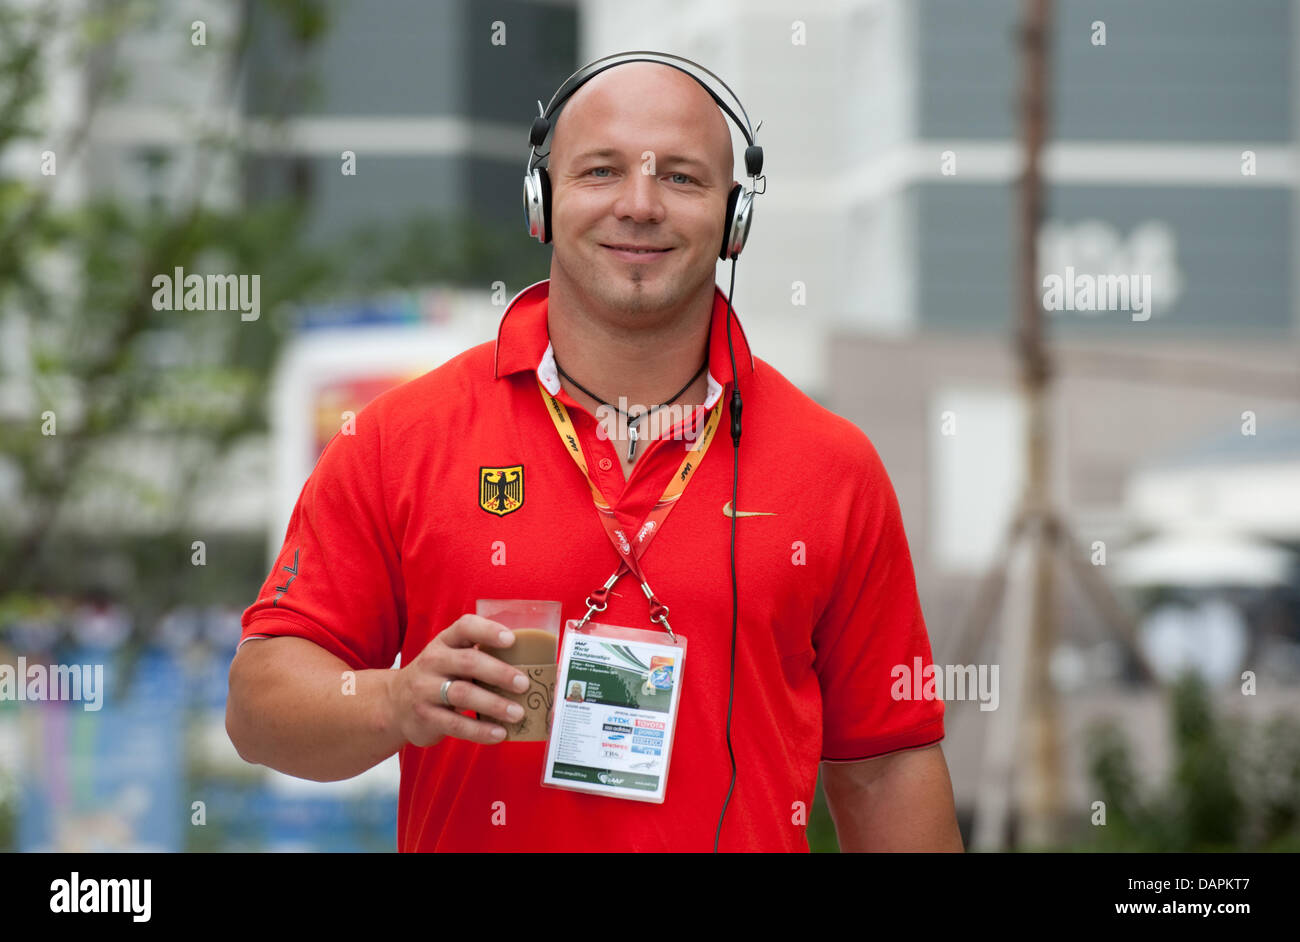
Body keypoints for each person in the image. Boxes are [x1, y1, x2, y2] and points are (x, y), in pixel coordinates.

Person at [226, 57, 963, 853]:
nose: (638, 205)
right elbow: (259, 706)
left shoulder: (833, 468)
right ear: (541, 202)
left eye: (680, 178)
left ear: (734, 217)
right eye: (601, 171)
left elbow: (888, 767)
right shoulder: (398, 438)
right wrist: (394, 700)